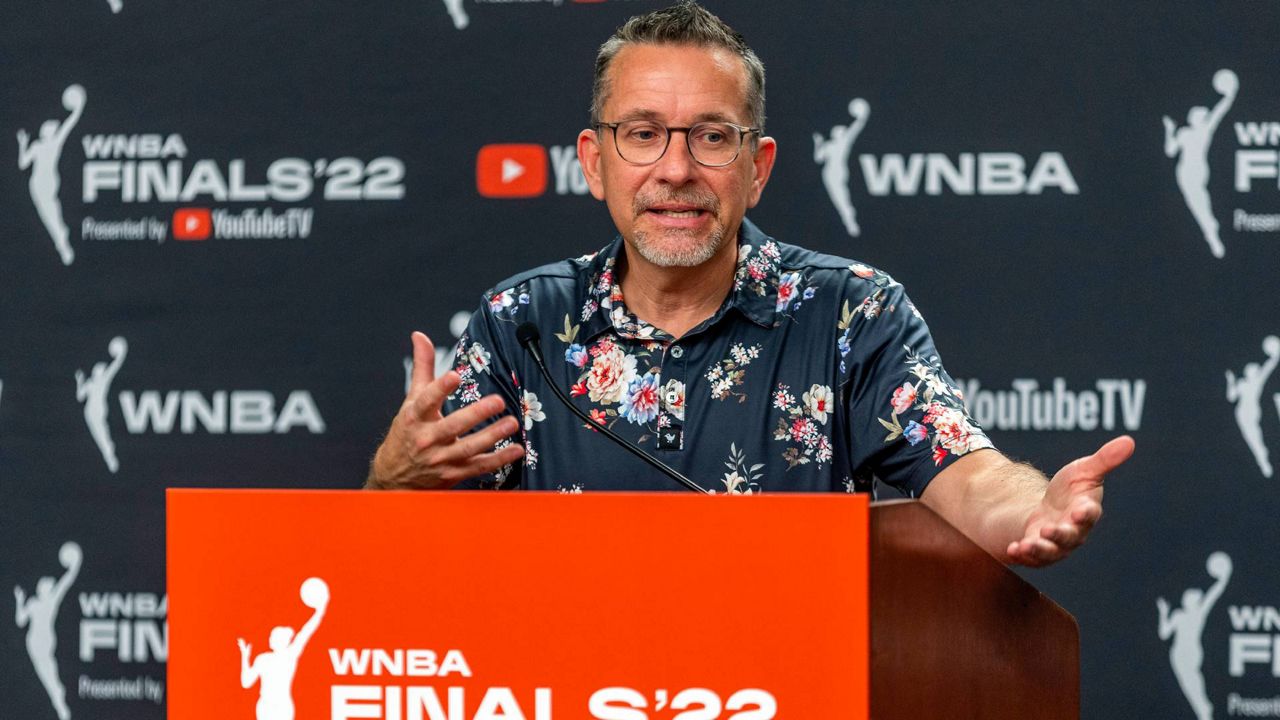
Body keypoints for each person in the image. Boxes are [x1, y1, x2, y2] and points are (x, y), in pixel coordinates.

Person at [367, 1, 1134, 568]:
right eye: (642, 134)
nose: (675, 169)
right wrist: (390, 481)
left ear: (756, 167)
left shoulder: (851, 312)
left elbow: (967, 476)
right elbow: (400, 556)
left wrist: (1035, 507)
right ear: (594, 161)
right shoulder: (521, 322)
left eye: (710, 136)